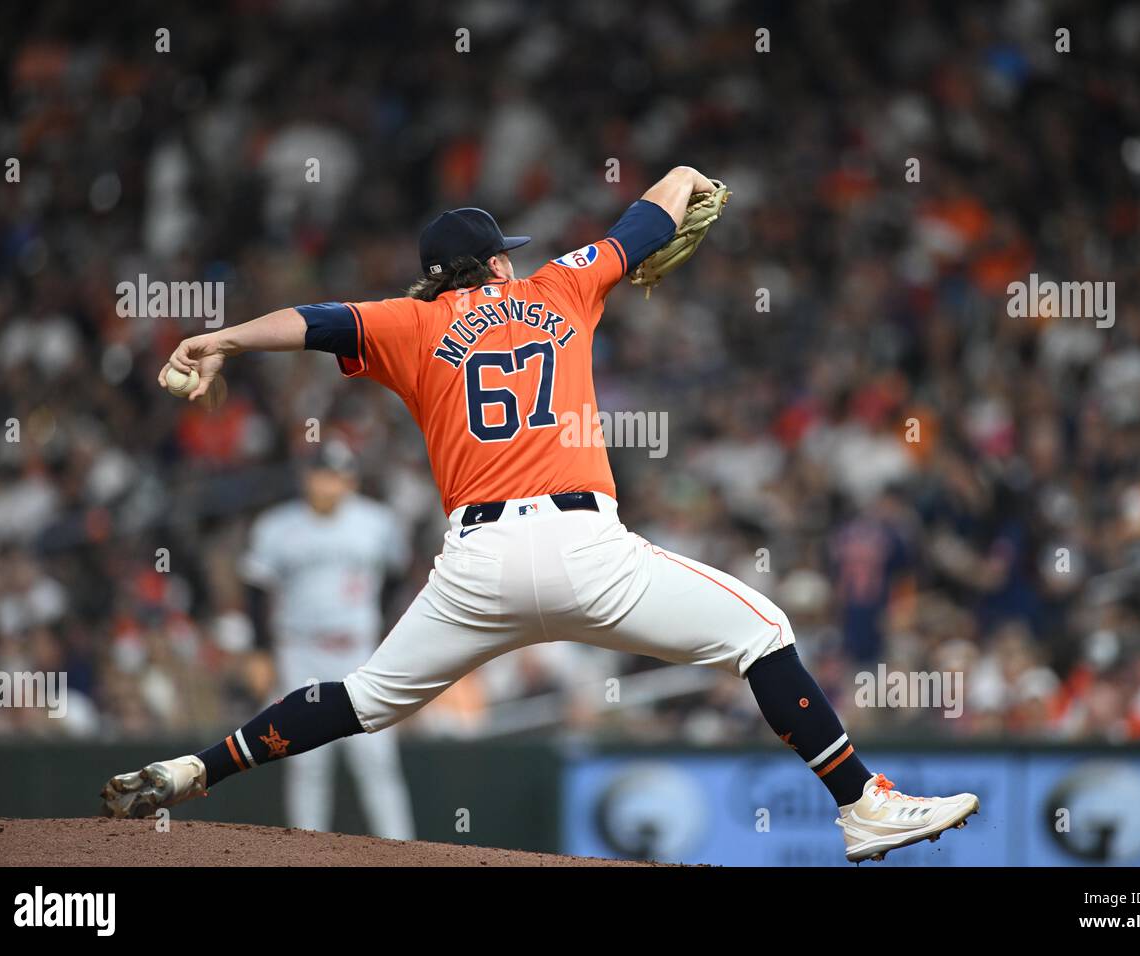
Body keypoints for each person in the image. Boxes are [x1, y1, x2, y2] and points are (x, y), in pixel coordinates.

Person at [101, 166, 978, 863]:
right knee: (762, 630)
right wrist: (685, 176)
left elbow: (311, 320)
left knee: (362, 700)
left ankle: (196, 766)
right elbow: (652, 213)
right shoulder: (563, 287)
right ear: (499, 265)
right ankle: (863, 807)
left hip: (474, 571)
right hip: (584, 551)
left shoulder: (406, 324)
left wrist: (216, 338)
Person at [240, 439, 415, 840]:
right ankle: (306, 852)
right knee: (306, 760)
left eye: (336, 475)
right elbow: (255, 590)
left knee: (376, 758)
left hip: (359, 652)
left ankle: (403, 852)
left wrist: (389, 630)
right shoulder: (277, 526)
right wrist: (259, 650)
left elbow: (398, 578)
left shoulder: (377, 522)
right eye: (321, 475)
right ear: (306, 479)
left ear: (351, 480)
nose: (328, 484)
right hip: (300, 651)